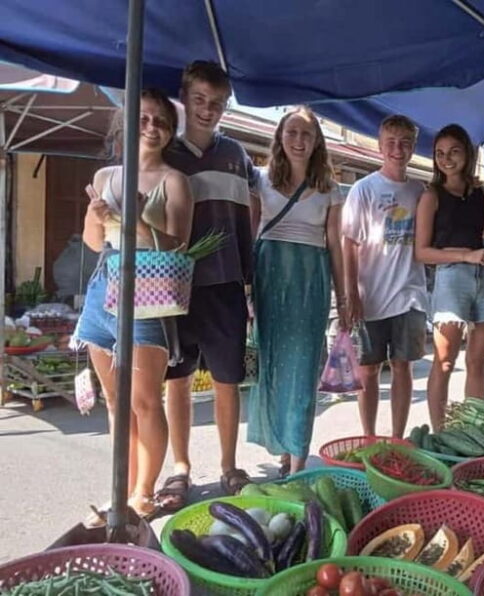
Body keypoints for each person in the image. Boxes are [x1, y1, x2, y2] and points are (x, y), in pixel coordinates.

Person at [74, 88, 193, 519]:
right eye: (143, 118)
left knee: (145, 401)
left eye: (161, 121)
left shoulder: (175, 181)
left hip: (150, 294)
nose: (152, 127)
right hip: (102, 289)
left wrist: (141, 220)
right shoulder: (107, 176)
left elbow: (181, 246)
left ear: (171, 131)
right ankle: (121, 488)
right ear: (127, 123)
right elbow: (92, 241)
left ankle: (143, 492)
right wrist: (93, 213)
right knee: (114, 402)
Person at [159, 61, 259, 508]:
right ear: (184, 97)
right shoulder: (165, 153)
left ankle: (228, 465)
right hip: (173, 286)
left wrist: (252, 279)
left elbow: (253, 213)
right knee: (176, 379)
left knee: (226, 379)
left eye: (216, 103)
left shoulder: (235, 154)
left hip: (227, 284)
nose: (207, 110)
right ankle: (180, 468)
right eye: (199, 99)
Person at [248, 107, 347, 476]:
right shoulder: (259, 180)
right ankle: (282, 446)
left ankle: (298, 457)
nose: (299, 140)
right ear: (280, 137)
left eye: (307, 134)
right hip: (268, 279)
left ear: (317, 140)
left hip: (310, 282)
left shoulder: (331, 189)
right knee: (270, 366)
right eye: (292, 132)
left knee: (304, 370)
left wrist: (345, 296)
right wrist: (245, 290)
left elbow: (335, 245)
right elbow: (250, 235)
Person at [415, 124, 484, 431]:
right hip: (451, 276)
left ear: (467, 153)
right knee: (444, 362)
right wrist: (464, 255)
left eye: (453, 151)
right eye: (440, 153)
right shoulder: (431, 196)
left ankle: (471, 431)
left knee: (477, 361)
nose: (447, 159)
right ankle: (441, 434)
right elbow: (422, 252)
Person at [342, 115, 428, 438]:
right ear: (380, 146)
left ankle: (396, 437)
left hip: (410, 294)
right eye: (391, 142)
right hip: (371, 296)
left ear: (413, 147)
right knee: (369, 369)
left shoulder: (421, 191)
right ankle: (368, 436)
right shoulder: (363, 190)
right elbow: (348, 243)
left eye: (405, 142)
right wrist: (351, 293)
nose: (398, 149)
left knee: (404, 366)